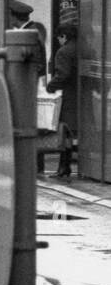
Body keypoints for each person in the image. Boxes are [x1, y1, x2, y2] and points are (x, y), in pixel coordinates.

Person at [46, 23, 79, 179]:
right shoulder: (84, 49)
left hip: (68, 98)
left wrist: (50, 86)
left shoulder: (63, 52)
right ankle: (67, 166)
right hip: (82, 97)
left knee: (65, 133)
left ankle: (64, 167)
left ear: (63, 36)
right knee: (76, 133)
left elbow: (62, 75)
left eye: (59, 38)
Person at [9, 0, 48, 78]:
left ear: (15, 17)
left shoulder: (29, 34)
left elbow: (35, 60)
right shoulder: (32, 30)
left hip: (28, 79)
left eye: (10, 16)